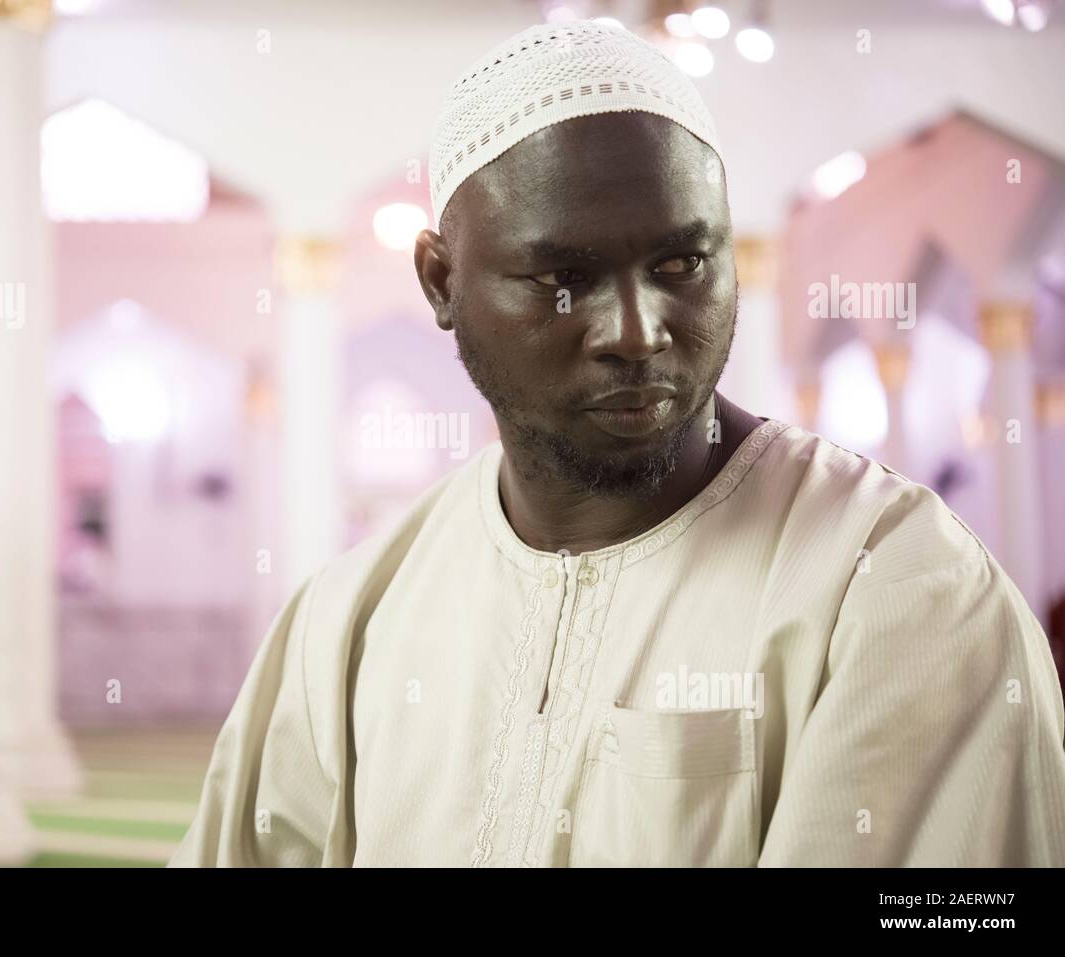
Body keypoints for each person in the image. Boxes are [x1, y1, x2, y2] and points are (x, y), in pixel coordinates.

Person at [170, 20, 1065, 867]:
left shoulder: (892, 587)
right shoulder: (356, 616)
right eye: (566, 276)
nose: (636, 332)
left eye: (681, 265)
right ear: (442, 281)